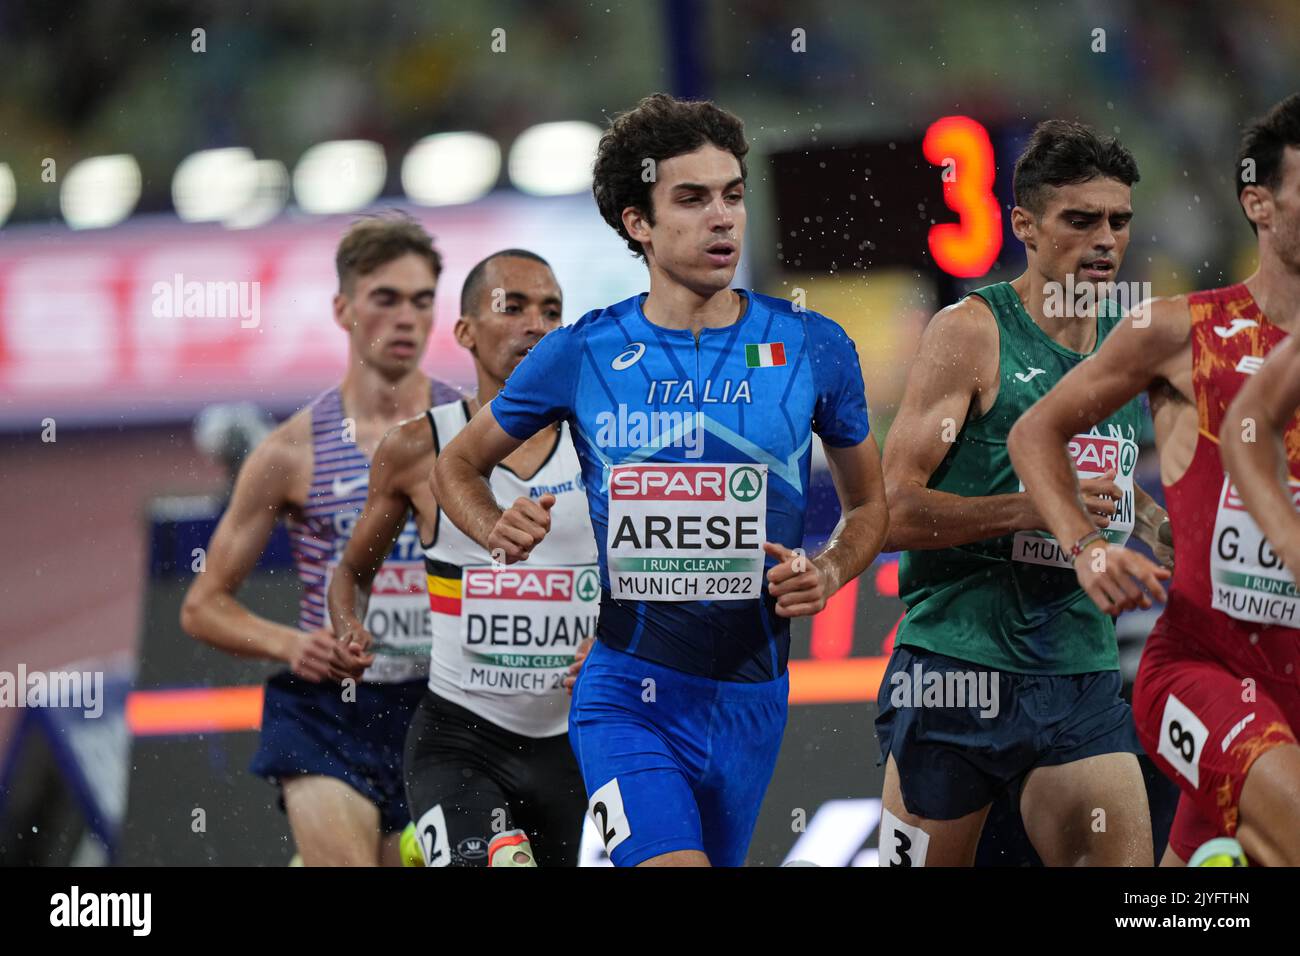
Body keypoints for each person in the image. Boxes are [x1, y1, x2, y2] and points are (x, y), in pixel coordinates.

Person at [433, 93, 889, 867]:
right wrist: (489, 524)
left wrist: (833, 568)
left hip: (754, 702)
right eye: (692, 199)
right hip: (625, 695)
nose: (723, 218)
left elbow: (871, 504)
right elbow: (457, 465)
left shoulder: (813, 345)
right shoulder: (583, 352)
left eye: (733, 196)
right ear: (636, 223)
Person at [1009, 94, 1300, 865]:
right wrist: (1087, 547)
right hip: (1205, 668)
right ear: (1258, 202)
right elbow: (1036, 430)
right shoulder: (1177, 331)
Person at [876, 120, 1163, 867]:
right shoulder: (971, 333)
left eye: (1119, 220)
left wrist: (1171, 532)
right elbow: (892, 509)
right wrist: (1037, 511)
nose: (1105, 239)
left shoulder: (1130, 346)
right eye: (1081, 219)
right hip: (954, 671)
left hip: (1077, 674)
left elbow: (1113, 488)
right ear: (1026, 226)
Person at [180, 213, 460, 866]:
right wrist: (290, 644)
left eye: (421, 302)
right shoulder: (289, 453)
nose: (405, 319)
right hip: (332, 716)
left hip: (451, 709)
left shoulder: (473, 435)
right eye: (384, 300)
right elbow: (203, 605)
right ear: (343, 309)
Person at [328, 249, 594, 867]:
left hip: (570, 748)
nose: (536, 323)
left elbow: (638, 582)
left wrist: (608, 645)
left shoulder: (602, 444)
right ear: (465, 332)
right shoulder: (418, 448)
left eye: (552, 311)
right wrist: (348, 626)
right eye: (514, 306)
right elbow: (350, 572)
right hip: (459, 739)